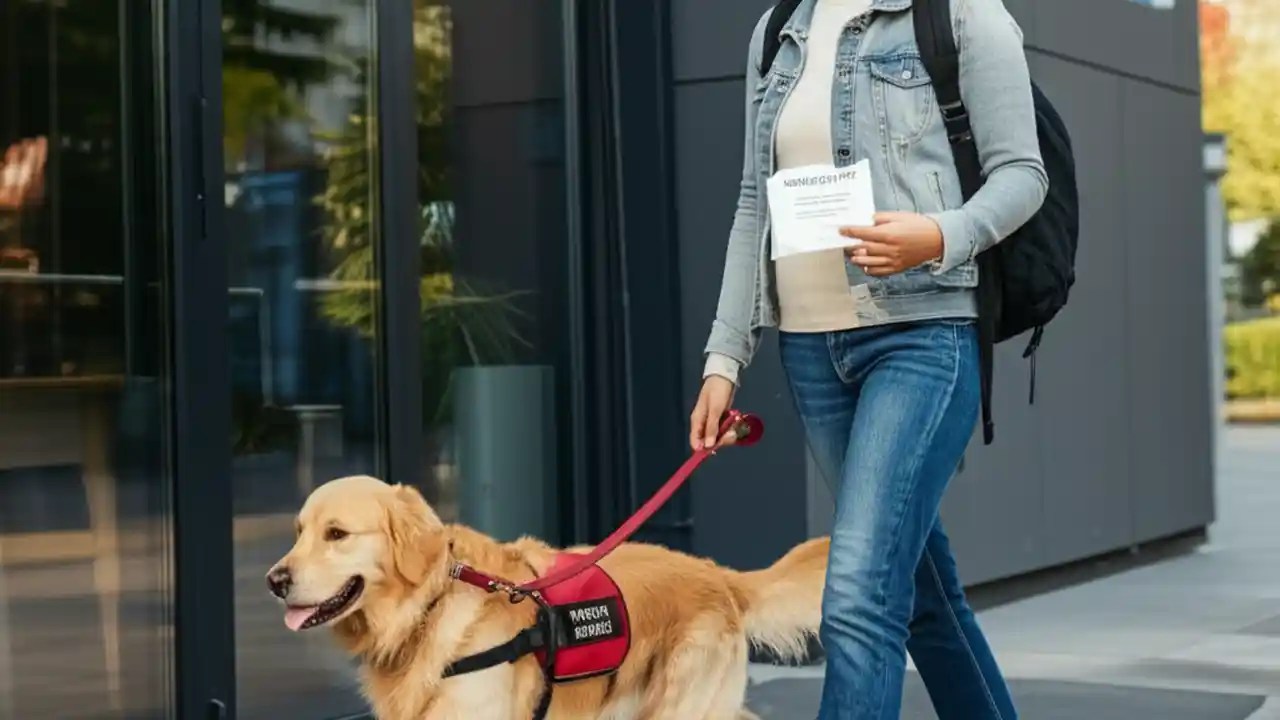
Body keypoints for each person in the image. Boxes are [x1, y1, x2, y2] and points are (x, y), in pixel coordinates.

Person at [689, 0, 1047, 718]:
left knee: (855, 597)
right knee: (919, 598)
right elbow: (752, 203)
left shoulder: (961, 16)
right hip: (812, 351)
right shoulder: (778, 28)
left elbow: (1022, 175)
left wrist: (940, 235)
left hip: (923, 336)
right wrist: (725, 355)